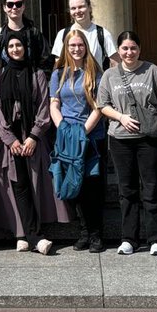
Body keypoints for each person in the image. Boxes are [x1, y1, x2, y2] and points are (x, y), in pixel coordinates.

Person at [96, 31, 157, 257]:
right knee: (127, 190)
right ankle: (129, 238)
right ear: (118, 51)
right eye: (124, 48)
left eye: (133, 48)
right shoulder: (110, 75)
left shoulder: (151, 70)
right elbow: (102, 105)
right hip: (121, 140)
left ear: (139, 50)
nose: (129, 52)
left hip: (151, 139)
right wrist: (121, 117)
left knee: (151, 188)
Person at [0, 35, 64, 254]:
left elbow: (44, 106)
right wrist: (10, 139)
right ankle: (32, 236)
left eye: (19, 45)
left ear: (25, 48)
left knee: (34, 184)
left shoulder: (37, 74)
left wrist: (33, 136)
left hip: (31, 137)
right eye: (11, 46)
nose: (15, 49)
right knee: (19, 185)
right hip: (11, 141)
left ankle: (26, 234)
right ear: (5, 50)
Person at [49, 30, 107, 253]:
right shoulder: (58, 74)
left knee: (93, 188)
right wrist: (63, 127)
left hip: (91, 137)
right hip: (67, 137)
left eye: (80, 45)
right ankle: (84, 232)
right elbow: (54, 104)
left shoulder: (95, 72)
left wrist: (82, 131)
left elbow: (99, 107)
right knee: (75, 186)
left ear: (86, 46)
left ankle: (96, 236)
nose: (76, 49)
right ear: (66, 47)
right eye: (72, 45)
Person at [0, 0, 49, 76]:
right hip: (4, 85)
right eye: (10, 4)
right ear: (4, 8)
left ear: (23, 6)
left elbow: (45, 61)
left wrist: (39, 81)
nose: (14, 7)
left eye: (18, 4)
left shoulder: (34, 34)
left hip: (30, 85)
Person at [50, 0, 120, 67]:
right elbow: (58, 64)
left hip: (96, 78)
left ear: (89, 8)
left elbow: (115, 63)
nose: (77, 11)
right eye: (73, 8)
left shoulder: (103, 33)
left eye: (81, 7)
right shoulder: (63, 34)